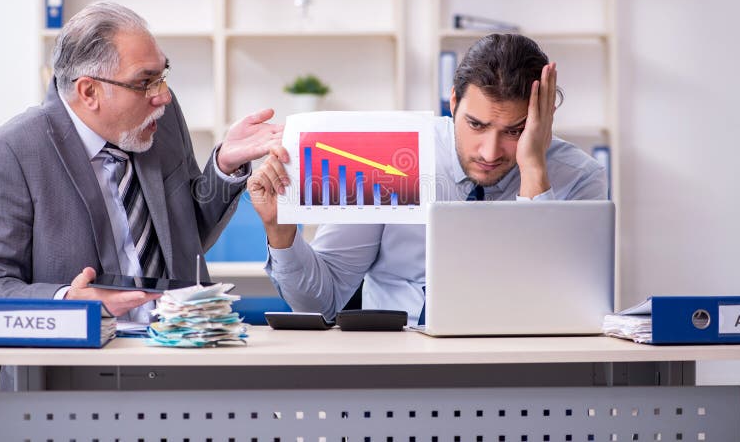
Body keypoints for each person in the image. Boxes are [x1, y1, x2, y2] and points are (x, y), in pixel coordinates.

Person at [247, 33, 608, 325]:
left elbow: (553, 310)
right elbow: (320, 303)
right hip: (396, 368)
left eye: (514, 131)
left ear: (542, 120)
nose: (489, 151)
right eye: (476, 125)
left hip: (518, 370)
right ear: (453, 103)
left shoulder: (579, 179)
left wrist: (533, 169)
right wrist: (281, 233)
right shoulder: (392, 155)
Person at [0, 1, 283, 324]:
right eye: (145, 82)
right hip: (75, 365)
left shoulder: (161, 119)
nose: (164, 96)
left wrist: (224, 167)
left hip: (180, 351)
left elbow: (188, 235)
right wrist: (67, 301)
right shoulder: (9, 154)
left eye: (163, 75)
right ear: (89, 91)